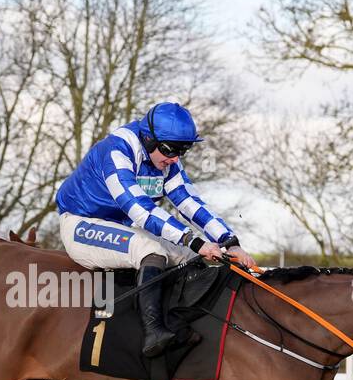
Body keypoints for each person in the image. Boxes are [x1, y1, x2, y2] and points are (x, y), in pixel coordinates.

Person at [55, 102, 256, 357]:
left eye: (183, 151)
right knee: (151, 249)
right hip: (80, 224)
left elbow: (190, 202)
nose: (174, 158)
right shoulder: (117, 151)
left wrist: (229, 241)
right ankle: (152, 332)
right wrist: (195, 241)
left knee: (190, 259)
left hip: (122, 227)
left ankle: (184, 323)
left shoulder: (167, 161)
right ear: (149, 139)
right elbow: (140, 210)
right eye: (171, 150)